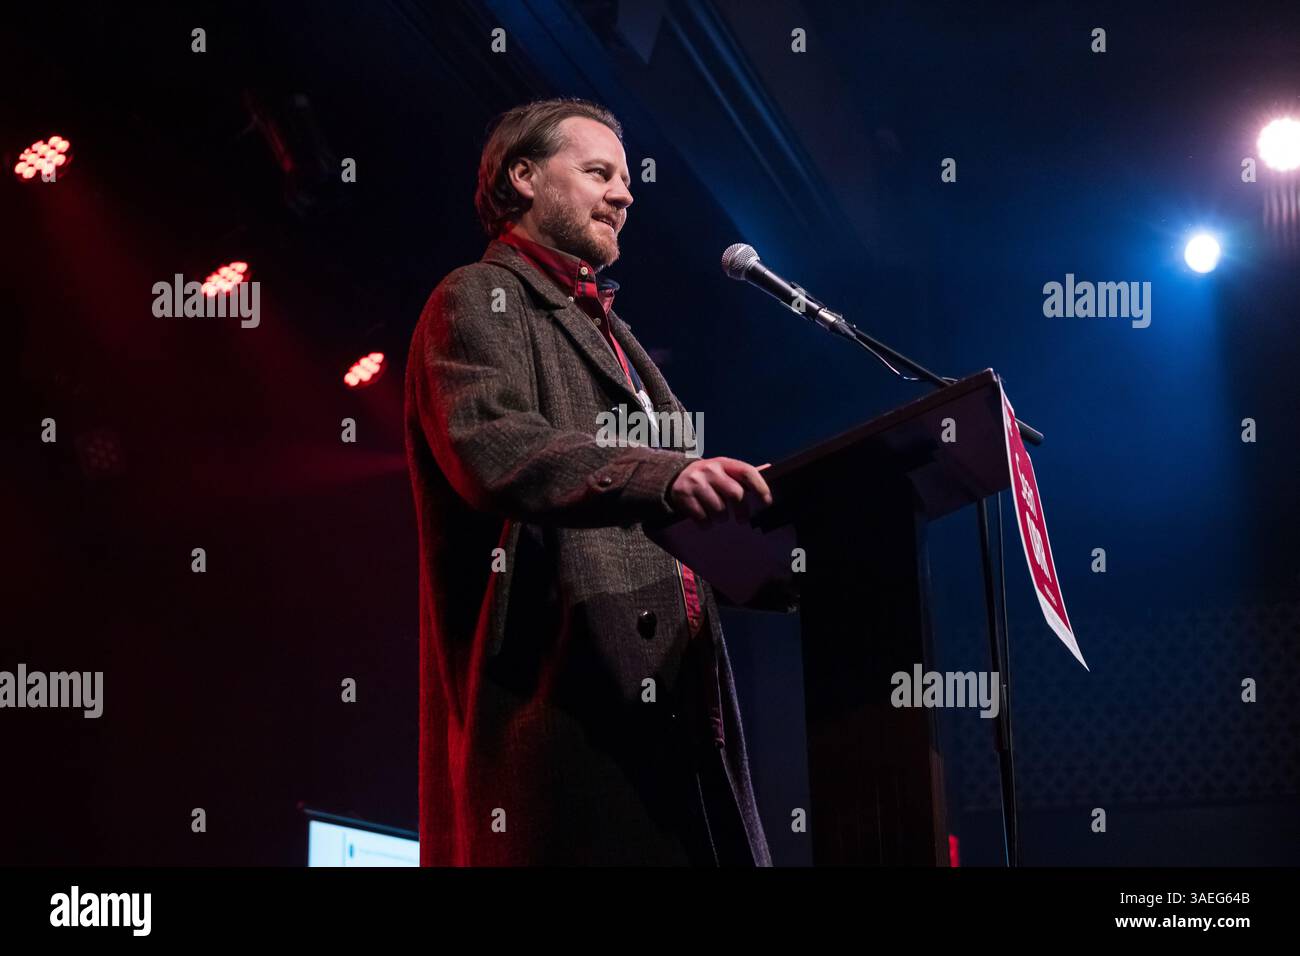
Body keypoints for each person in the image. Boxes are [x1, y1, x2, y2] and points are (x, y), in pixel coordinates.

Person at [404, 97, 773, 865]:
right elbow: (497, 450)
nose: (625, 193)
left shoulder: (619, 336)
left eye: (628, 179)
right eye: (599, 172)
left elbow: (677, 504)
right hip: (569, 713)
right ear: (525, 176)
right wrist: (671, 478)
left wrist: (770, 522)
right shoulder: (474, 296)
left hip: (680, 721)